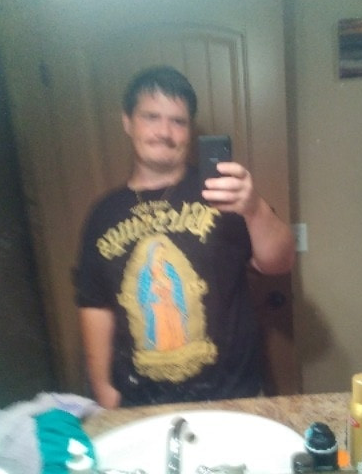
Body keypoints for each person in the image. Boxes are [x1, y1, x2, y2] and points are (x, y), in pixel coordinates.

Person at [74, 65, 295, 408]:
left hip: (234, 397)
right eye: (151, 117)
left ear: (189, 131)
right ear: (128, 122)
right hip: (140, 403)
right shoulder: (103, 214)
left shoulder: (226, 193)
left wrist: (254, 208)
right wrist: (103, 388)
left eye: (178, 121)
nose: (165, 132)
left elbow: (279, 262)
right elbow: (94, 304)